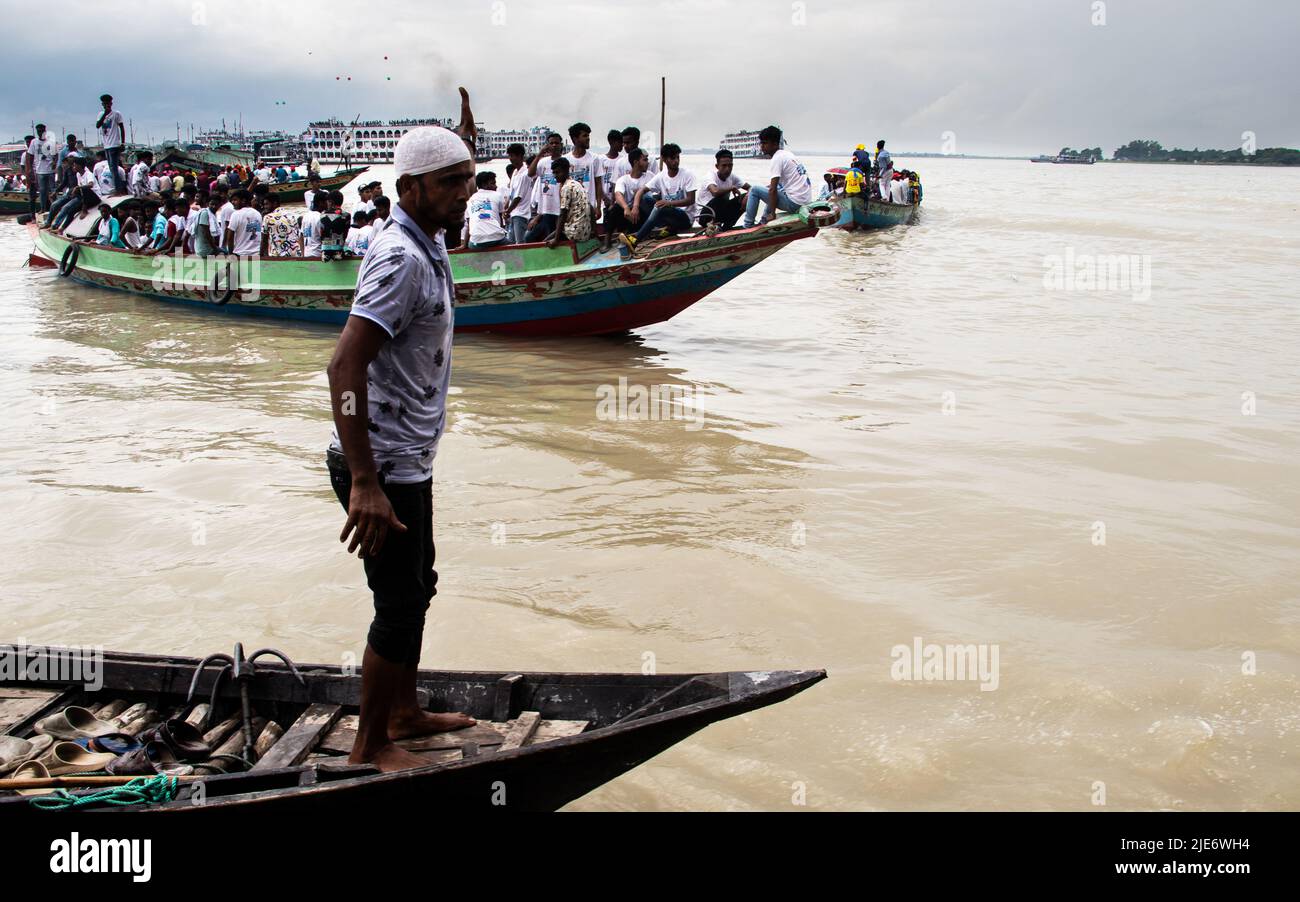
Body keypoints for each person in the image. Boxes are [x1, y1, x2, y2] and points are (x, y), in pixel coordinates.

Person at [324, 125, 477, 772]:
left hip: (407, 459)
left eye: (468, 180)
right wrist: (364, 479)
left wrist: (463, 125)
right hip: (380, 464)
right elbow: (344, 367)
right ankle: (370, 746)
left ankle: (404, 711)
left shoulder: (429, 239)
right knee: (398, 603)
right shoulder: (403, 259)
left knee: (419, 587)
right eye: (450, 184)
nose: (464, 194)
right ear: (409, 189)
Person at [741, 125, 813, 228]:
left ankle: (747, 225)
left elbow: (772, 190)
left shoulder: (777, 158)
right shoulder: (787, 155)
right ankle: (764, 220)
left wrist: (773, 213)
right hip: (804, 201)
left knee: (754, 190)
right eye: (761, 143)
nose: (762, 146)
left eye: (765, 143)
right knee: (772, 188)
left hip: (795, 203)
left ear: (775, 144)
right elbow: (774, 187)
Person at [627, 143, 697, 247]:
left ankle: (637, 238)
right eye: (673, 158)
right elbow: (641, 191)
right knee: (644, 199)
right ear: (664, 159)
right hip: (669, 216)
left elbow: (691, 200)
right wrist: (635, 207)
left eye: (678, 157)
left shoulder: (687, 175)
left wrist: (669, 203)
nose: (676, 161)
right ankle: (668, 228)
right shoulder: (661, 176)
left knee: (659, 207)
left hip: (685, 217)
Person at [604, 148, 652, 251]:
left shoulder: (650, 176)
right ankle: (607, 240)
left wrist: (636, 207)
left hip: (642, 215)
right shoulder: (623, 179)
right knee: (615, 208)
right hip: (628, 216)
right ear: (636, 162)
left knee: (645, 200)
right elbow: (618, 194)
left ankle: (633, 236)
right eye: (645, 160)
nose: (648, 163)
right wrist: (626, 208)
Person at [696, 149, 749, 233]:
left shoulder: (732, 177)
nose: (727, 169)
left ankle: (727, 228)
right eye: (724, 166)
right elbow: (715, 192)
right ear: (717, 166)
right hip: (704, 215)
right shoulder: (710, 176)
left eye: (730, 165)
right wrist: (731, 188)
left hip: (719, 213)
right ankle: (713, 227)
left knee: (748, 197)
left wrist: (748, 195)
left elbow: (750, 188)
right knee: (721, 198)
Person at [523, 132, 564, 242]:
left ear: (561, 145)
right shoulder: (543, 162)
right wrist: (540, 154)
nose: (554, 145)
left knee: (555, 238)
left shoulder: (565, 161)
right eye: (551, 143)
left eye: (557, 143)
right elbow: (530, 173)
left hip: (560, 209)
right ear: (547, 145)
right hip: (545, 209)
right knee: (528, 237)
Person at [564, 122, 602, 222]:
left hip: (589, 208)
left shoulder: (594, 159)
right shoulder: (565, 160)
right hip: (570, 208)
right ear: (575, 139)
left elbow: (598, 184)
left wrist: (598, 207)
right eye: (584, 136)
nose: (588, 138)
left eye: (588, 135)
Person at [47, 157, 95, 230]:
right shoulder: (75, 173)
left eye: (74, 165)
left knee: (66, 208)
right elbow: (64, 183)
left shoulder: (87, 173)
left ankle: (55, 226)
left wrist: (77, 188)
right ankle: (48, 223)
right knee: (55, 205)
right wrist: (55, 192)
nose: (73, 167)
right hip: (73, 194)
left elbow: (90, 185)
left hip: (86, 196)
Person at [463, 171, 507, 249]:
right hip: (497, 238)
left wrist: (464, 245)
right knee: (510, 243)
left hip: (477, 242)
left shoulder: (469, 200)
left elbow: (469, 226)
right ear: (484, 185)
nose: (496, 186)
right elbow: (500, 221)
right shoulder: (497, 195)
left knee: (471, 244)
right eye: (493, 183)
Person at [501, 143, 533, 244]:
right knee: (511, 242)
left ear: (520, 156)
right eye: (509, 156)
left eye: (512, 156)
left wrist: (508, 211)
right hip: (514, 213)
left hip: (521, 214)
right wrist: (506, 208)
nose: (510, 158)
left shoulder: (524, 174)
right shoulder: (515, 172)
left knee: (520, 243)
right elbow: (511, 195)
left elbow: (518, 197)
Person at [97, 94, 127, 195]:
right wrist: (105, 114)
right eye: (105, 104)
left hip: (114, 144)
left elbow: (122, 128)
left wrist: (122, 142)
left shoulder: (116, 114)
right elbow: (98, 125)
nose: (107, 105)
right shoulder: (101, 114)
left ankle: (119, 190)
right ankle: (117, 188)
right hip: (106, 145)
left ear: (111, 103)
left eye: (108, 103)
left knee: (114, 168)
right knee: (111, 168)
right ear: (102, 104)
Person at [260, 192, 302, 257]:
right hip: (296, 253)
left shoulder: (268, 217)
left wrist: (261, 256)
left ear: (275, 203)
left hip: (278, 256)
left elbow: (264, 241)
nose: (265, 207)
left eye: (267, 204)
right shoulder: (292, 215)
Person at [224, 188, 263, 257]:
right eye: (232, 200)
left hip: (241, 253)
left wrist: (230, 254)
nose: (232, 202)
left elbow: (230, 237)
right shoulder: (257, 213)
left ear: (243, 201)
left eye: (235, 200)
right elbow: (256, 233)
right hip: (256, 253)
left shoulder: (236, 214)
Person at [28, 125, 57, 214]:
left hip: (50, 170)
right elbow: (31, 155)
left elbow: (55, 154)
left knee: (53, 190)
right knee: (42, 191)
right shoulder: (34, 142)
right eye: (39, 131)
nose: (40, 133)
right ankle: (43, 208)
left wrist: (54, 162)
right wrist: (30, 169)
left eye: (42, 131)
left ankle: (56, 208)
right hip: (39, 170)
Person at [319, 190, 350, 260]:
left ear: (331, 202)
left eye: (327, 201)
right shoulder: (346, 215)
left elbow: (321, 232)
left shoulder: (322, 214)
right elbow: (345, 233)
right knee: (349, 249)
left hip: (325, 250)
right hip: (338, 250)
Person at [194, 193, 222, 257]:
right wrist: (215, 248)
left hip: (208, 247)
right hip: (205, 249)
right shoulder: (205, 213)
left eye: (216, 205)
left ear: (220, 205)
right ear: (208, 204)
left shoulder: (213, 214)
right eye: (212, 204)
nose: (214, 206)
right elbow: (206, 233)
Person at [300, 192, 326, 256]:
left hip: (307, 254)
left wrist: (302, 255)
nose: (328, 204)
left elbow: (301, 236)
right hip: (318, 254)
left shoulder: (306, 216)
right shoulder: (321, 217)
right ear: (321, 203)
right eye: (326, 202)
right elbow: (324, 238)